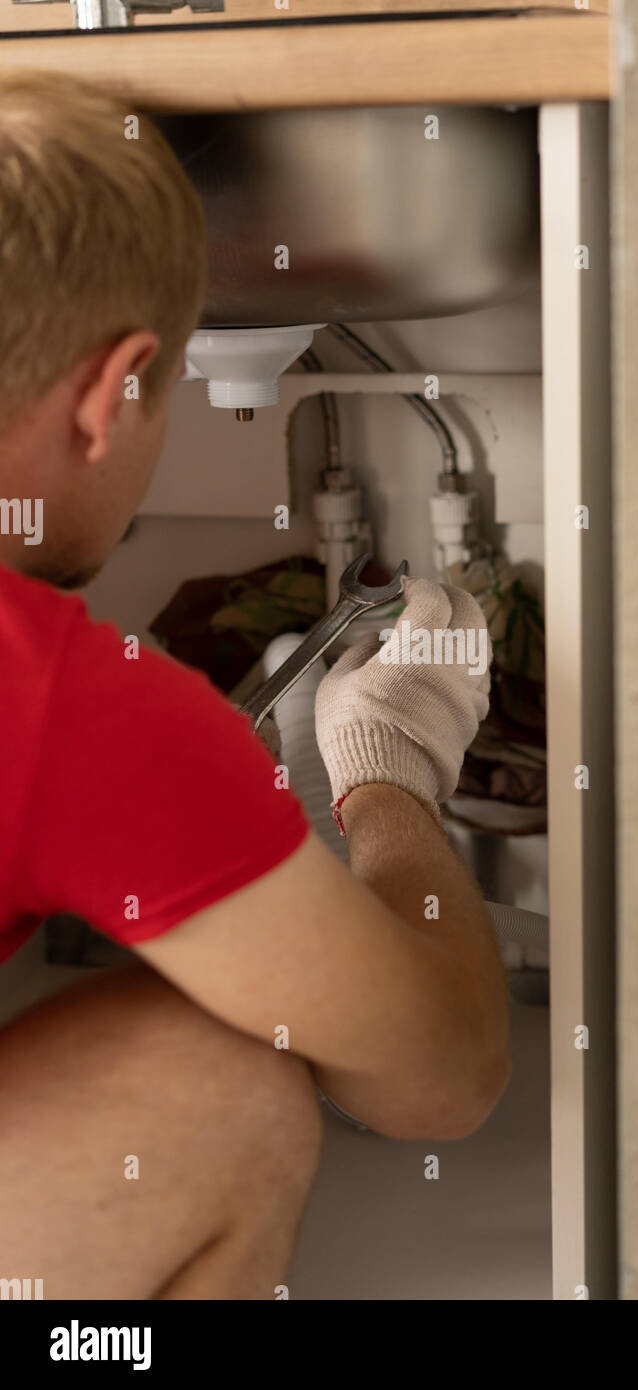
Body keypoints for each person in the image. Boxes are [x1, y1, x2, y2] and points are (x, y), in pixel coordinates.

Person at [0, 72, 510, 1300]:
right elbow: (441, 1072)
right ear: (110, 390)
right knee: (212, 1088)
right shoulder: (65, 696)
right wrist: (388, 771)